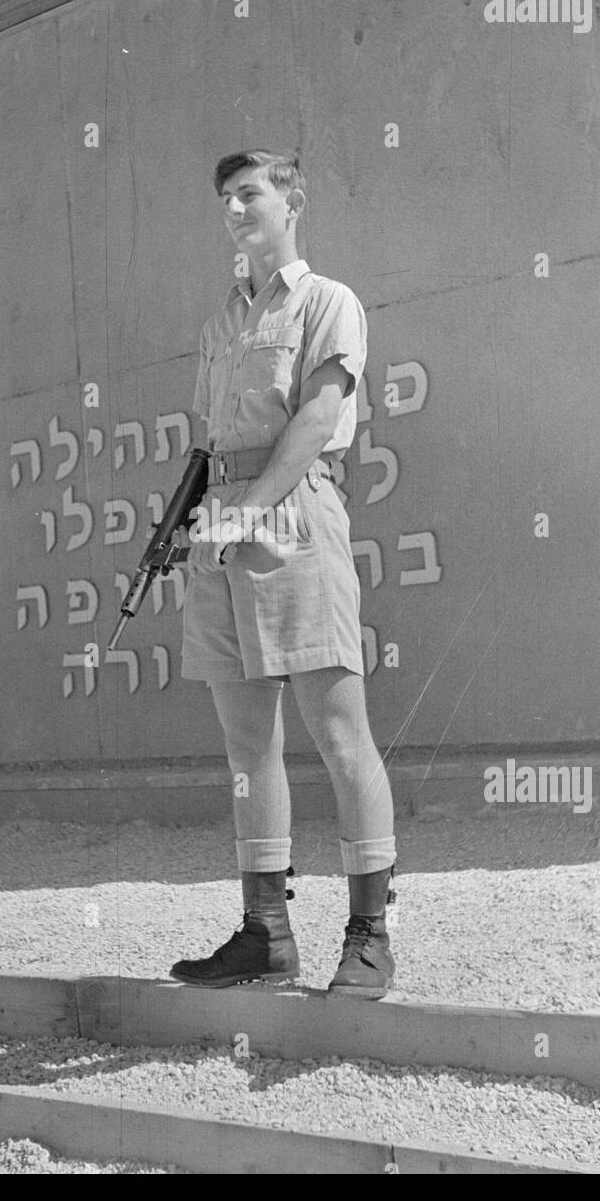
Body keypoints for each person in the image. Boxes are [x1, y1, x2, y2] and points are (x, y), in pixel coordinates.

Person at [172, 148, 397, 999]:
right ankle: (265, 933)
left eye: (250, 193)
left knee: (339, 736)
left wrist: (252, 508)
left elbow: (318, 416)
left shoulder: (327, 302)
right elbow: (206, 440)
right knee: (245, 747)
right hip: (222, 533)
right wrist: (188, 524)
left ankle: (370, 936)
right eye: (224, 197)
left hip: (294, 516)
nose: (234, 209)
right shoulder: (221, 323)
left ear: (291, 201)